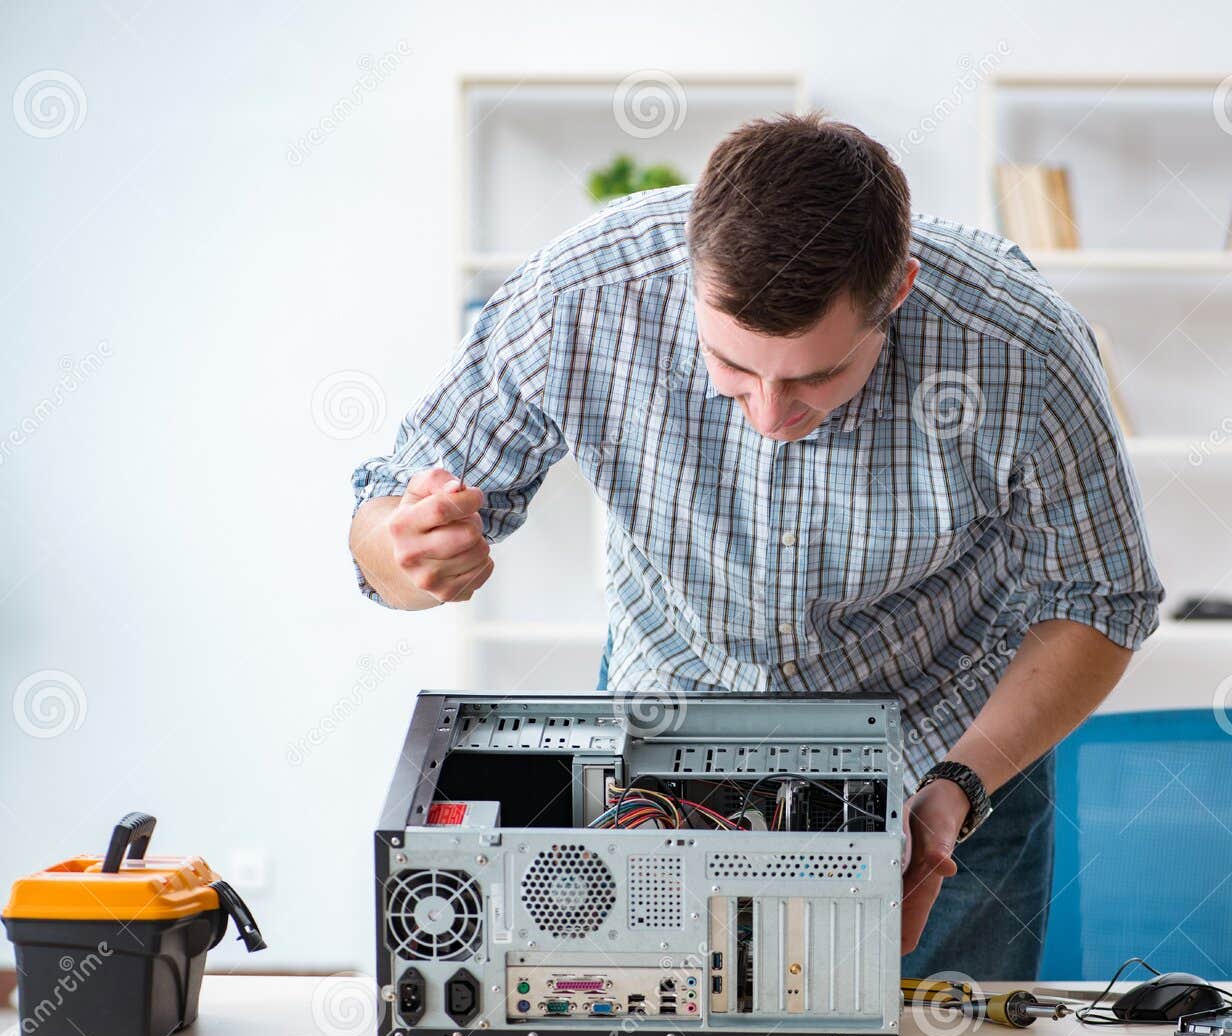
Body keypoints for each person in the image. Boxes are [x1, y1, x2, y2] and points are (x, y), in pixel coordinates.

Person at [349, 112, 1162, 980]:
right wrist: (408, 555)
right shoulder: (580, 296)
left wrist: (956, 788)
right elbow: (381, 519)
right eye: (732, 368)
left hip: (946, 773)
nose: (773, 418)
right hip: (663, 763)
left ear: (899, 292)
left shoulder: (1021, 346)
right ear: (690, 286)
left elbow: (1102, 600)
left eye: (817, 376)